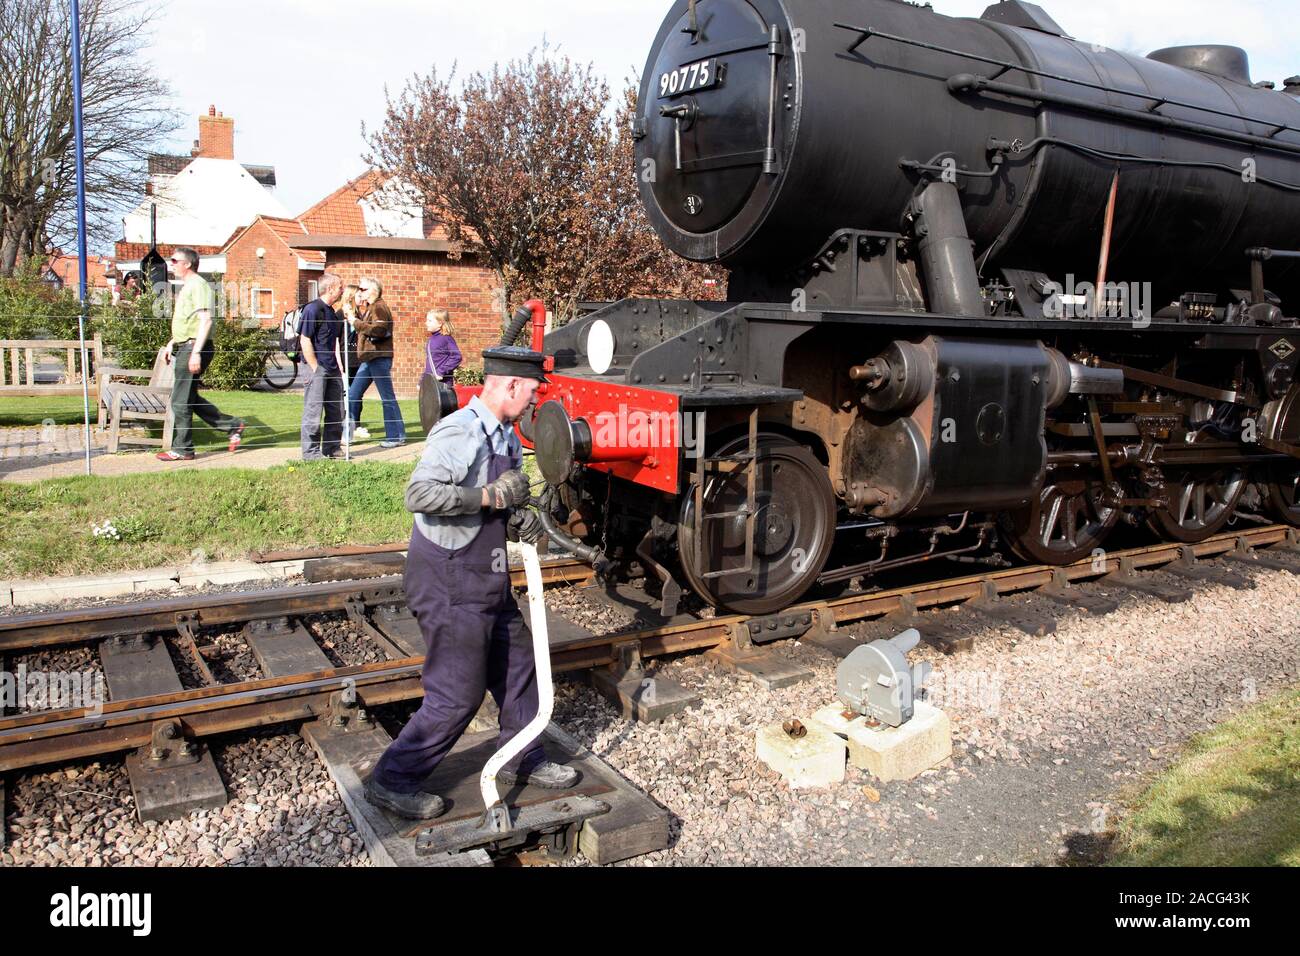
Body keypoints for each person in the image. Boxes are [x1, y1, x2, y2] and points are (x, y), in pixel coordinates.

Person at [364, 346, 577, 820]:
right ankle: (392, 780)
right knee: (458, 691)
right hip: (449, 574)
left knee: (519, 664)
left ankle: (524, 755)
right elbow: (417, 494)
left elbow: (504, 497)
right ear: (511, 386)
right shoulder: (461, 430)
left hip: (487, 572)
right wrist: (488, 496)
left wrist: (516, 515)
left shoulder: (503, 433)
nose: (534, 402)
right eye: (533, 393)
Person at [156, 248, 244, 462]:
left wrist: (195, 353)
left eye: (175, 260)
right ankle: (232, 425)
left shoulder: (199, 286)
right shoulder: (189, 286)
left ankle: (183, 448)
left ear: (188, 264)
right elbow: (189, 322)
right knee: (189, 398)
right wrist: (172, 342)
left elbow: (206, 321)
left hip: (193, 348)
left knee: (179, 401)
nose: (172, 264)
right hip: (186, 346)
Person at [347, 277, 406, 448]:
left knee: (387, 397)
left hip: (378, 357)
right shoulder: (371, 307)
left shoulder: (379, 307)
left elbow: (380, 330)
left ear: (374, 290)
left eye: (363, 289)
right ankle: (347, 434)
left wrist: (355, 322)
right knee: (352, 394)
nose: (360, 291)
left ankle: (396, 436)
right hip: (369, 358)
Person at [299, 273, 346, 460]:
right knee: (314, 409)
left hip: (332, 367)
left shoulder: (332, 312)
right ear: (330, 289)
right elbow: (305, 339)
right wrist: (315, 367)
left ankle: (331, 447)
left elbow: (333, 343)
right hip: (317, 367)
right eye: (340, 286)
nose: (342, 289)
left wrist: (338, 367)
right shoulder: (312, 310)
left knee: (336, 408)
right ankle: (310, 452)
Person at [424, 309, 463, 385]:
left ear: (440, 323)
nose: (426, 323)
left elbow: (457, 357)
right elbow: (430, 362)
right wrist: (422, 380)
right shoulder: (431, 339)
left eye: (429, 321)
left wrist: (441, 371)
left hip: (443, 385)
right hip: (431, 383)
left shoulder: (446, 338)